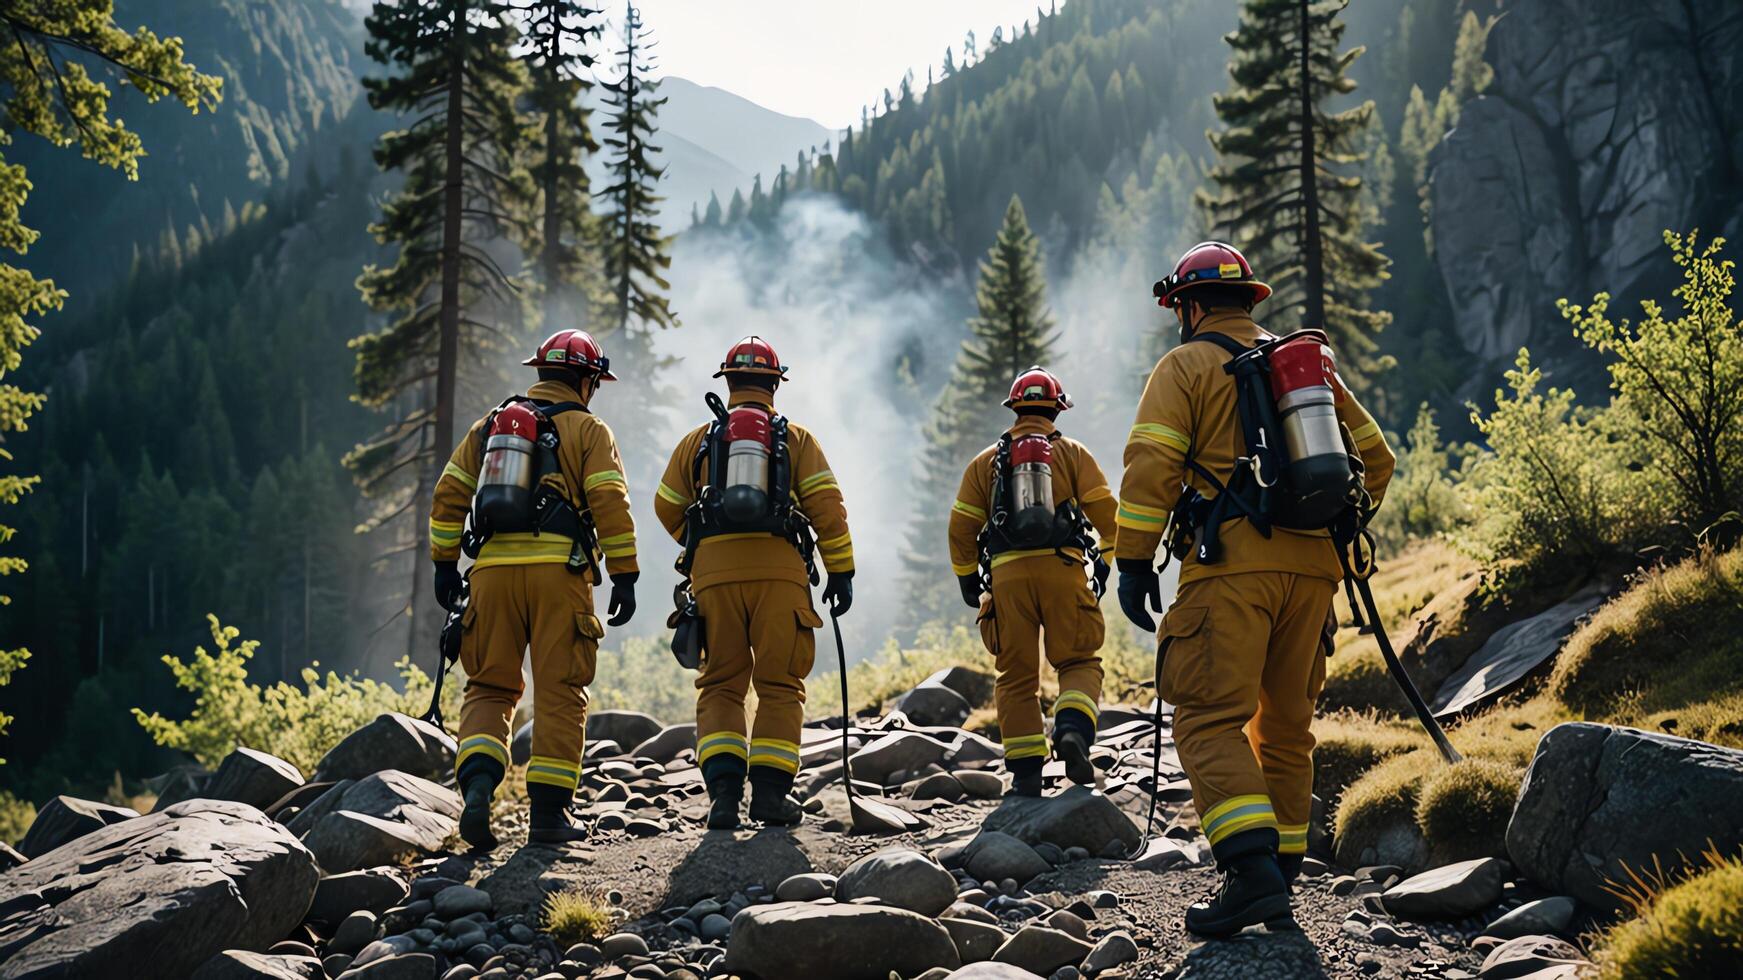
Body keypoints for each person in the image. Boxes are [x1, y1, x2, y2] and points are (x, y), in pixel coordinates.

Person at [1115, 242, 1396, 935]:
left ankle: (1248, 874)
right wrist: (1329, 532)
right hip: (1314, 577)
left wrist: (1133, 562)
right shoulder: (1303, 367)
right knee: (1286, 727)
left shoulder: (1184, 365)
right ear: (1249, 300)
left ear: (1188, 306)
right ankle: (1282, 870)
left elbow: (1151, 467)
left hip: (1230, 572)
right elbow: (1377, 459)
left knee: (1208, 718)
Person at [429, 329, 640, 849]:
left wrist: (444, 564)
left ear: (540, 372)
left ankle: (479, 790)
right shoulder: (589, 430)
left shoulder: (491, 425)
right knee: (560, 691)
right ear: (587, 381)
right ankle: (548, 817)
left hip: (491, 575)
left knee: (489, 687)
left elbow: (449, 494)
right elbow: (609, 502)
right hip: (559, 575)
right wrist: (625, 574)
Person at [654, 336, 854, 829]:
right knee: (779, 684)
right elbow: (828, 511)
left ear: (728, 382)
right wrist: (840, 571)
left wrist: (702, 542)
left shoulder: (699, 441)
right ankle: (769, 797)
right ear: (775, 385)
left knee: (721, 684)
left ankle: (723, 800)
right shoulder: (797, 440)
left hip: (713, 578)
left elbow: (665, 505)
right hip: (780, 577)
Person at [948, 367, 1118, 797]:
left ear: (1015, 408)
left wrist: (967, 577)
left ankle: (1025, 774)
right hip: (1063, 569)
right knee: (1078, 660)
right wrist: (1108, 560)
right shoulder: (1072, 454)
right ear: (1057, 410)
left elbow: (961, 528)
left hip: (1007, 578)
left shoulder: (986, 462)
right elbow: (1108, 517)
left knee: (1015, 675)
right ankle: (1072, 731)